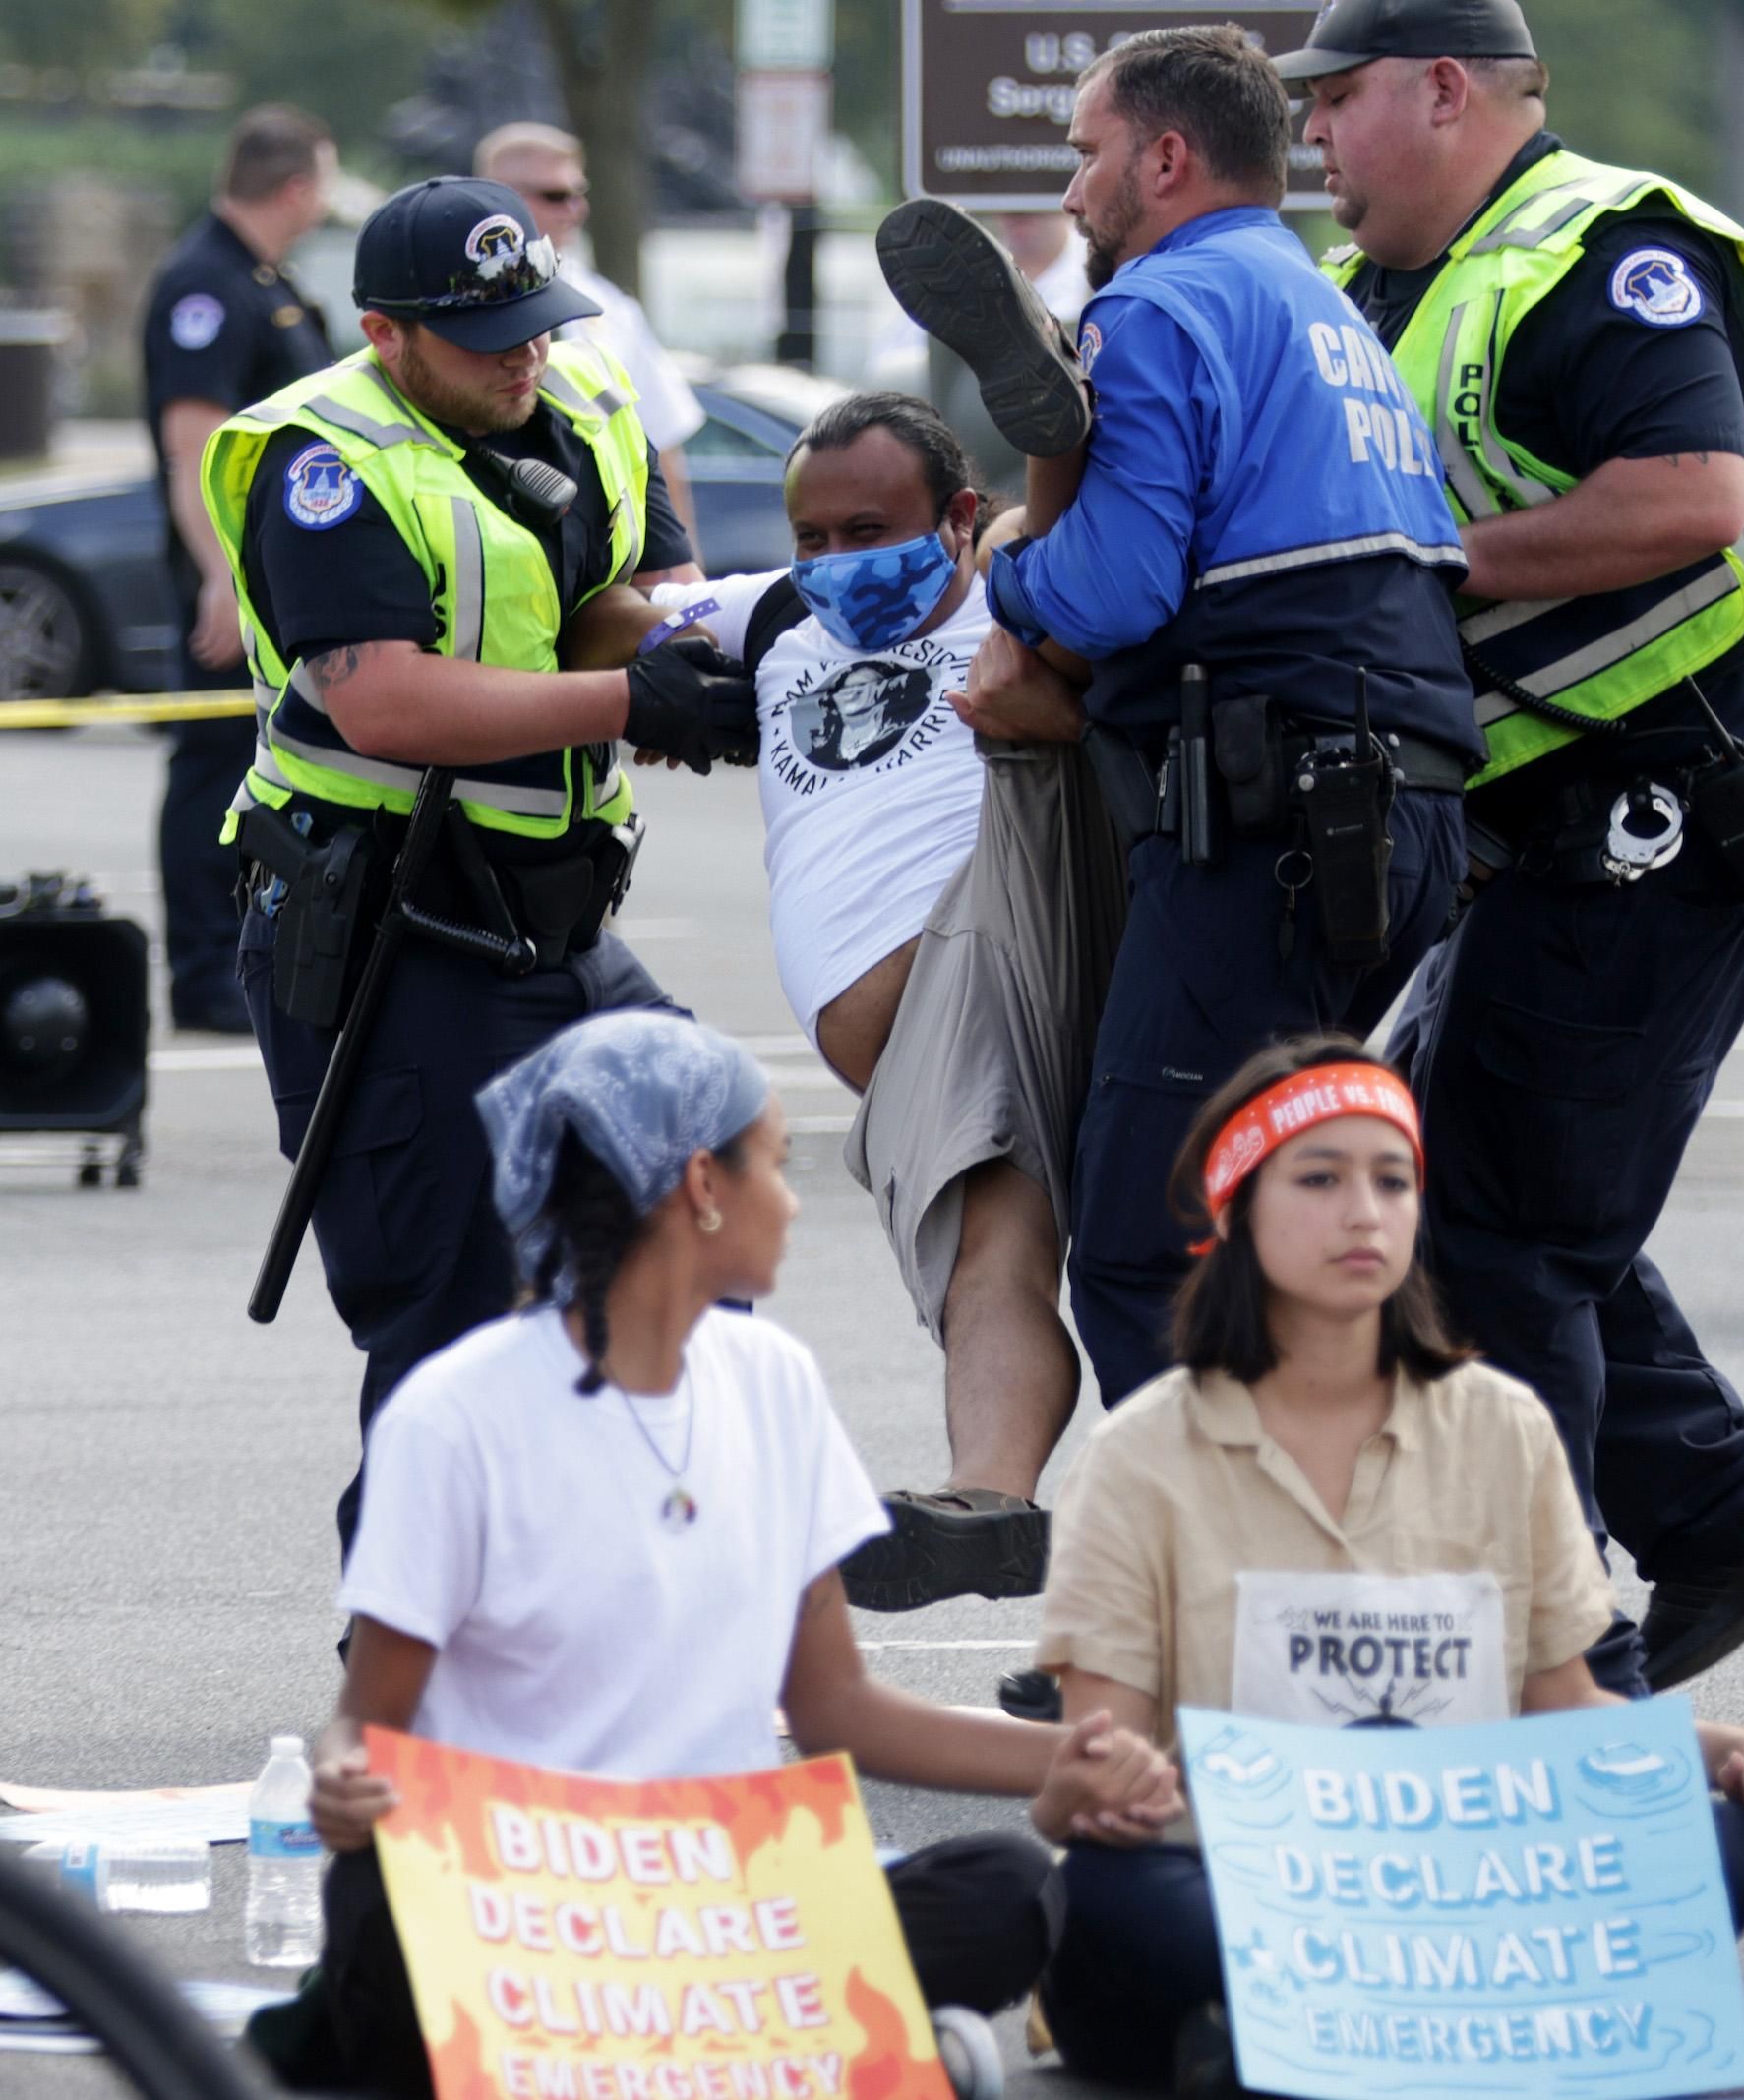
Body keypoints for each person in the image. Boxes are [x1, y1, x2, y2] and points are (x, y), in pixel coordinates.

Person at [242, 1012, 1181, 2099]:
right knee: (382, 1914)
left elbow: (836, 1709)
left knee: (1008, 1885)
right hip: (529, 1900)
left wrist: (1069, 1759)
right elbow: (368, 1726)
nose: (792, 1201)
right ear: (702, 1185)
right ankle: (783, 2042)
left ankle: (657, 2047)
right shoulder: (456, 1416)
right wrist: (344, 1779)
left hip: (716, 1902)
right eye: (774, 1165)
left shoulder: (773, 1380)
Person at [1288, 0, 1744, 1698]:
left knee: (1500, 1227)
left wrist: (1413, 567)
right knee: (1484, 1188)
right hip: (1542, 804)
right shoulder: (1375, 284)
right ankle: (1721, 1507)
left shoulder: (1604, 251)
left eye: (1337, 98)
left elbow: (1685, 497)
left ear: (1446, 89)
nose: (1313, 134)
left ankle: (1559, 1654)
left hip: (1677, 790)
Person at [1026, 1038, 1744, 2092]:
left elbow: (1566, 1708)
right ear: (1232, 1213)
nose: (1363, 1212)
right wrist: (1089, 1794)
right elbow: (1095, 1768)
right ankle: (1418, 2013)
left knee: (1714, 1844)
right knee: (1112, 1900)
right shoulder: (1138, 1456)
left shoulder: (1502, 1423)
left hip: (1464, 1887)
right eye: (1319, 1179)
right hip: (1244, 1879)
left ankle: (1299, 2025)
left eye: (1393, 1179)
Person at [873, 28, 1480, 1428]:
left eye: (1085, 153)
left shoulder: (1153, 307)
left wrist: (1004, 575)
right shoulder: (1332, 312)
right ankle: (1348, 1512)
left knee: (1153, 1238)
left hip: (1268, 827)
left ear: (1163, 158)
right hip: (1405, 816)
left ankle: (1233, 1544)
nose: (1072, 188)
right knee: (1288, 1218)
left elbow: (1115, 592)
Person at [209, 175, 759, 1554]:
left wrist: (714, 646)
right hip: (395, 936)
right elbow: (384, 700)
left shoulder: (576, 397)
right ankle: (403, 1657)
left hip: (553, 929)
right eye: (486, 337)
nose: (526, 355)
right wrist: (632, 699)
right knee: (451, 1332)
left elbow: (610, 602)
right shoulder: (325, 460)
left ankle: (601, 1579)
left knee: (710, 1190)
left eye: (537, 321)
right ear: (385, 334)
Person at [644, 392, 1114, 1610]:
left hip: (1003, 925)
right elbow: (616, 622)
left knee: (1001, 1252)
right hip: (916, 1053)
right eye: (813, 535)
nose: (838, 561)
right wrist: (655, 681)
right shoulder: (779, 617)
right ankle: (992, 1505)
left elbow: (1066, 546)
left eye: (870, 530)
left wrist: (1011, 537)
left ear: (955, 516)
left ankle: (1042, 392)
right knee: (991, 1256)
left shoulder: (1010, 597)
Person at [139, 104, 338, 1033]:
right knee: (213, 765)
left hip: (278, 575)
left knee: (258, 763)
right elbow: (194, 446)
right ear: (296, 187)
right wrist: (219, 577)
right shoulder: (206, 285)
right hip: (234, 577)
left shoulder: (262, 278)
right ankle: (203, 972)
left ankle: (248, 959)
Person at [474, 122, 708, 578]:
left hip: (598, 547)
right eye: (555, 195)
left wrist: (683, 568)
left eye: (580, 193)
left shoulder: (608, 305)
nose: (576, 210)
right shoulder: (455, 305)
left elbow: (659, 440)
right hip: (493, 535)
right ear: (499, 195)